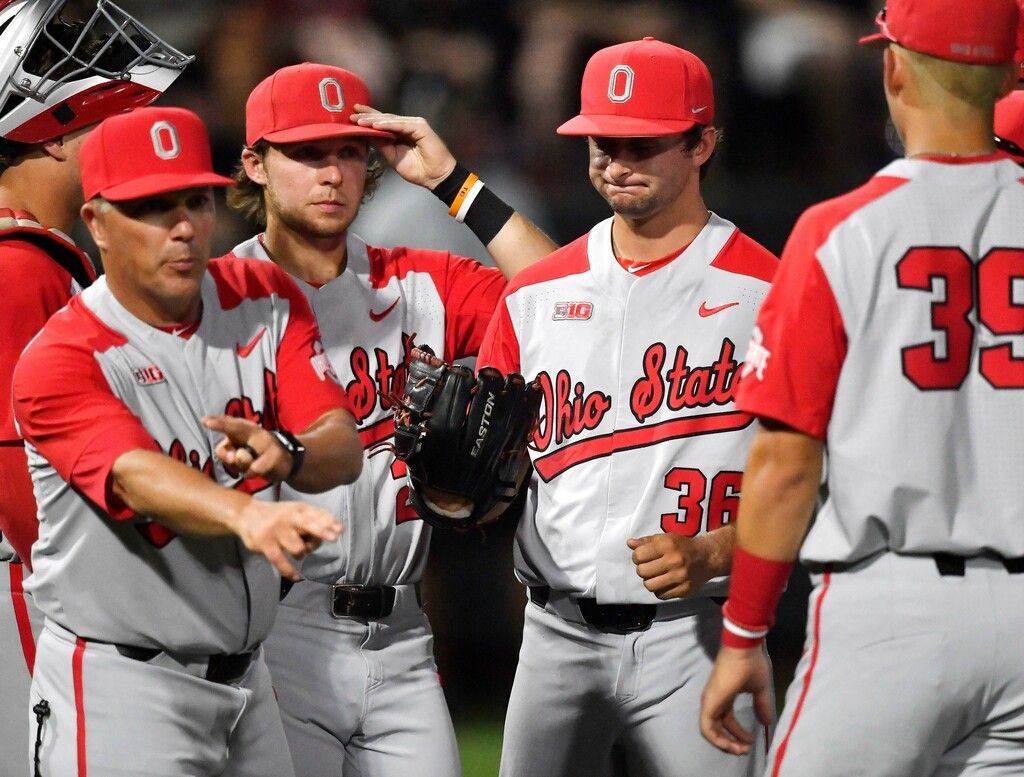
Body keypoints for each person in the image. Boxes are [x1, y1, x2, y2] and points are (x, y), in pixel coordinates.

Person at [700, 1, 1024, 775]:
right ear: (1012, 70)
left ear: (893, 66)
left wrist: (744, 633)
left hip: (893, 611)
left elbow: (783, 463)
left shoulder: (843, 229)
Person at [224, 62, 557, 776]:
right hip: (276, 630)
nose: (333, 173)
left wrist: (453, 184)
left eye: (348, 151)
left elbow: (563, 299)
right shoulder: (216, 298)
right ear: (255, 163)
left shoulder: (418, 283)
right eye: (307, 153)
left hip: (401, 633)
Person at [11, 105, 363, 777]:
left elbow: (339, 441)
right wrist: (247, 512)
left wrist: (291, 453)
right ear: (98, 222)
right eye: (151, 206)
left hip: (248, 685)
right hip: (123, 690)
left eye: (195, 201)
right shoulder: (62, 354)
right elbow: (137, 475)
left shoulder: (261, 291)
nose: (182, 228)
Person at [475, 38, 778, 777]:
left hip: (698, 633)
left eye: (642, 144)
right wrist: (464, 494)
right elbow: (489, 477)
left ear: (703, 142)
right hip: (553, 634)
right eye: (602, 142)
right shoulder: (535, 293)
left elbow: (814, 480)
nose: (617, 161)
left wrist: (714, 550)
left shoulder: (769, 290)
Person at [0, 0, 190, 769]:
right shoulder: (17, 264)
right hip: (25, 587)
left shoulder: (32, 253)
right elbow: (16, 475)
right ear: (47, 135)